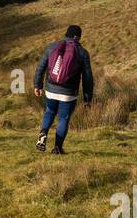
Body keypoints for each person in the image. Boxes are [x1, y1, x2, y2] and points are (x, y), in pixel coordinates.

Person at [33, 25, 94, 154]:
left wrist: (38, 85)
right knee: (63, 119)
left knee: (49, 112)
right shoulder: (82, 52)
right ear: (78, 37)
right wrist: (88, 98)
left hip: (50, 89)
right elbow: (87, 77)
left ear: (66, 34)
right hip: (69, 93)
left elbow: (40, 67)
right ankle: (57, 148)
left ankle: (43, 133)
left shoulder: (52, 47)